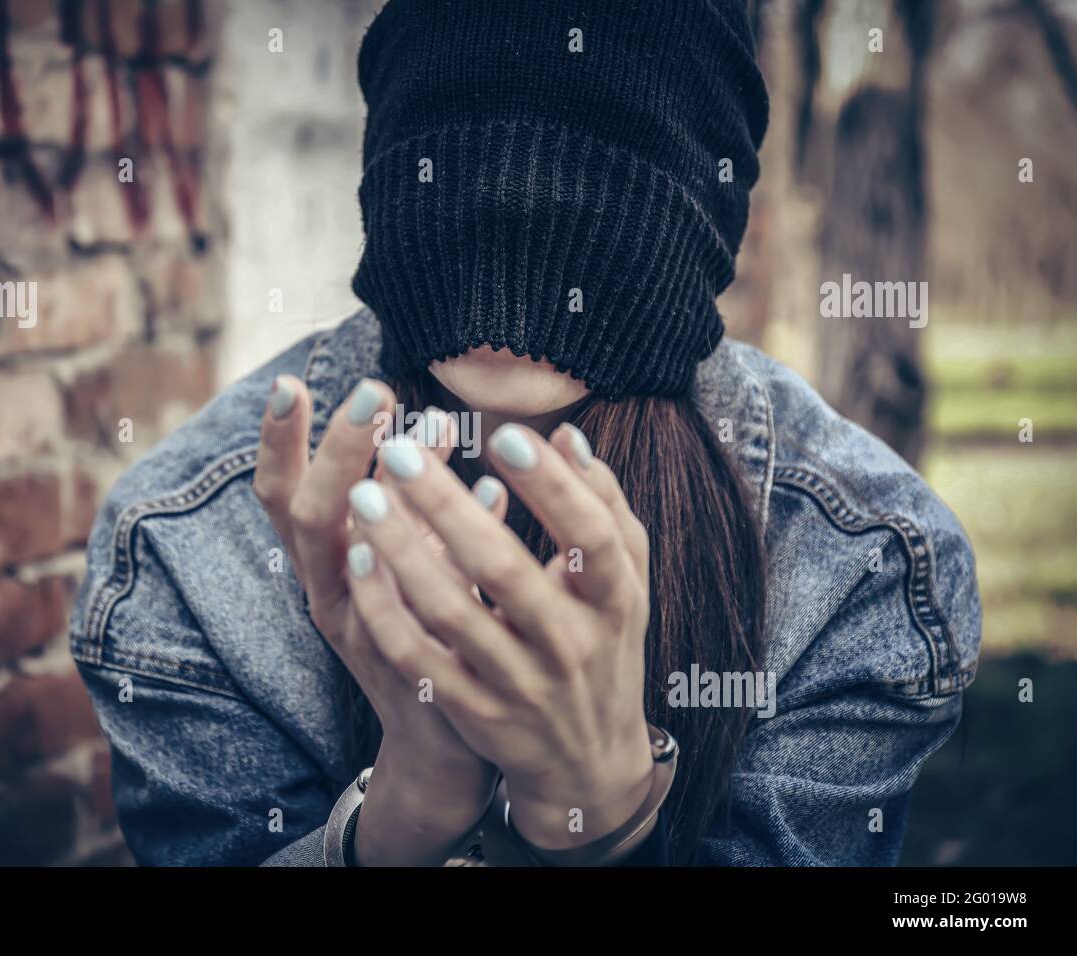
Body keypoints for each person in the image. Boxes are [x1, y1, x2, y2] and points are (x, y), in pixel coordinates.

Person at [71, 0, 980, 866]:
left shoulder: (864, 563)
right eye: (459, 172)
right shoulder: (184, 544)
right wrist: (400, 818)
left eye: (591, 192)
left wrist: (603, 822)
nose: (510, 222)